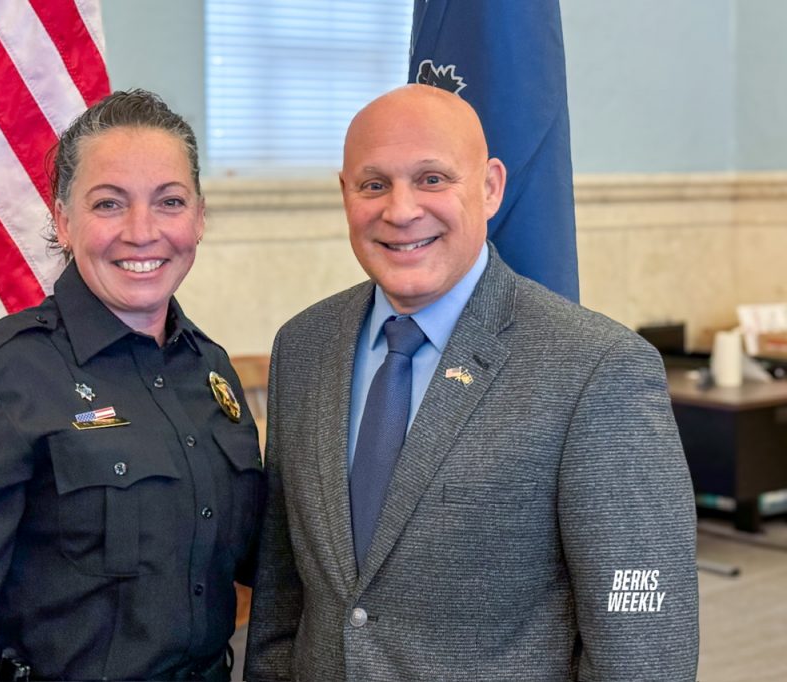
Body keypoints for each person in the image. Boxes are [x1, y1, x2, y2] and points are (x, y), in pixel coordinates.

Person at [245, 84, 698, 681]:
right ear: (345, 193)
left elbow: (642, 642)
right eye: (373, 184)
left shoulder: (597, 367)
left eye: (432, 179)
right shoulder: (304, 346)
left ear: (490, 187)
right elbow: (283, 596)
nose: (401, 210)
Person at [0, 89, 264, 681]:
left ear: (199, 217)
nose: (142, 231)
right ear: (63, 219)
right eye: (109, 204)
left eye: (170, 201)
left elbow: (256, 558)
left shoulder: (208, 371)